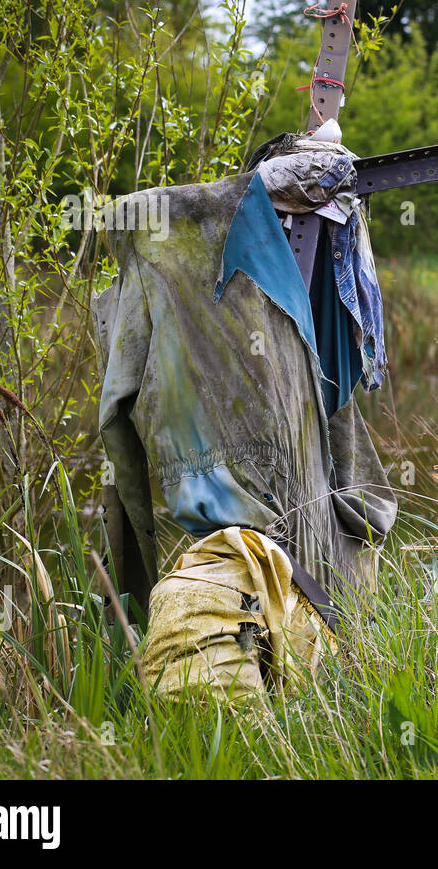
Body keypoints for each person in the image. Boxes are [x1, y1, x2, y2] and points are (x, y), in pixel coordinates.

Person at [93, 125, 396, 699]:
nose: (299, 224)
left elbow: (345, 443)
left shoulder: (310, 291)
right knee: (215, 709)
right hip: (225, 549)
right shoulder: (181, 250)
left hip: (311, 563)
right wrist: (255, 191)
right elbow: (125, 217)